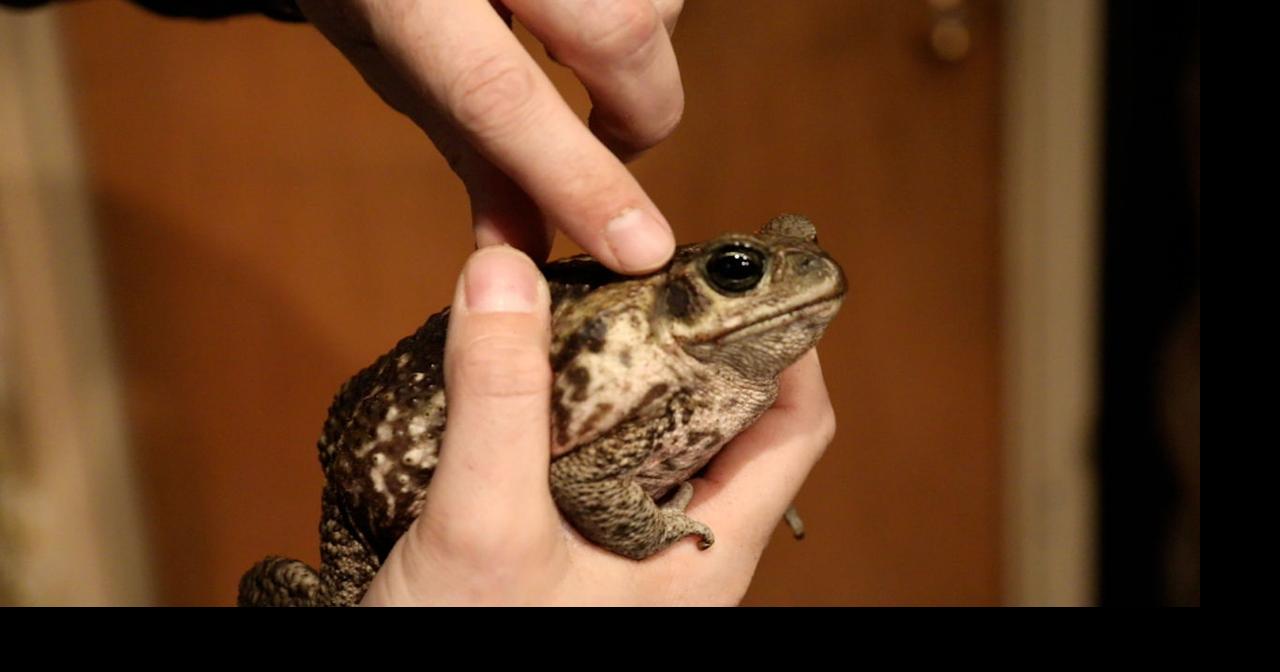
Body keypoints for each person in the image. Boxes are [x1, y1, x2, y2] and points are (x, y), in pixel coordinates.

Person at [5, 0, 836, 605]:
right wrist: (665, 525)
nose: (802, 271)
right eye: (740, 267)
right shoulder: (647, 339)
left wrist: (692, 471)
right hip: (380, 512)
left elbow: (597, 468)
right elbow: (587, 477)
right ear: (695, 290)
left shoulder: (712, 379)